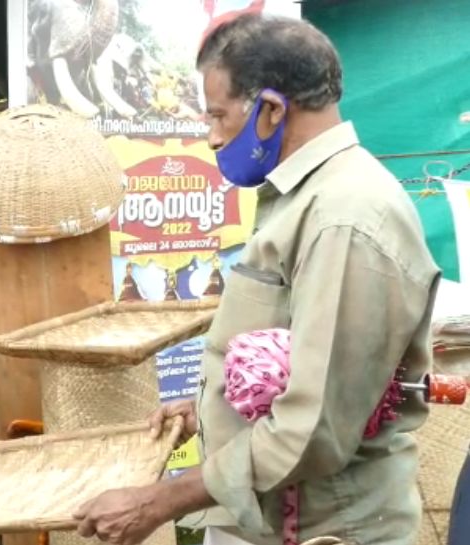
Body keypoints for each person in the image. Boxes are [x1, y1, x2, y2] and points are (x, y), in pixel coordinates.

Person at [74, 13, 439, 545]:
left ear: (270, 109)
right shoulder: (305, 198)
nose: (212, 138)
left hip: (321, 528)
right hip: (277, 517)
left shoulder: (345, 216)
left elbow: (313, 427)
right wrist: (214, 407)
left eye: (218, 116)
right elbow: (294, 361)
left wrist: (160, 500)